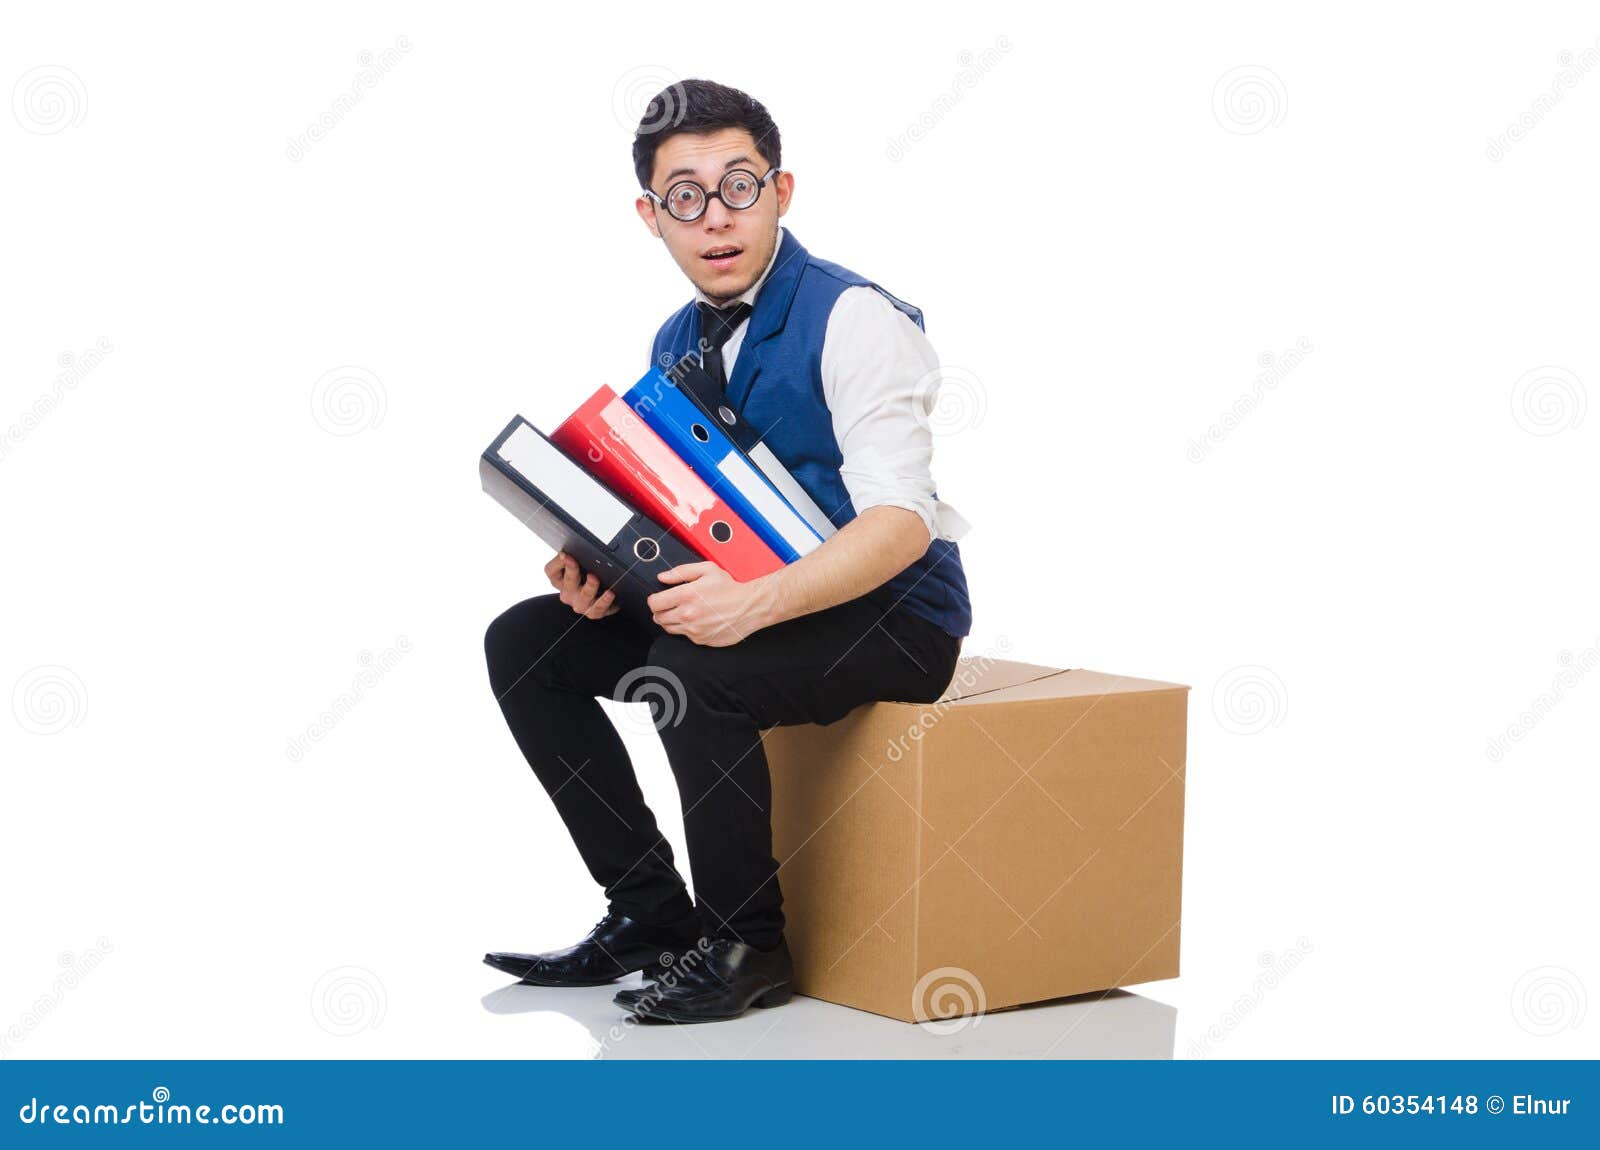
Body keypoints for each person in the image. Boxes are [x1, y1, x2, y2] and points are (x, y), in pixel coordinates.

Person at [482, 78, 974, 1023]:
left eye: (740, 187)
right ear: (650, 217)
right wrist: (604, 572)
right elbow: (682, 516)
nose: (716, 218)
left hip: (893, 615)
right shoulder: (674, 338)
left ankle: (748, 943)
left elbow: (904, 519)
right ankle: (649, 911)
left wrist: (752, 605)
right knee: (527, 643)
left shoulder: (856, 318)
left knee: (692, 667)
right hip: (748, 597)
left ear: (783, 193)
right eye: (686, 197)